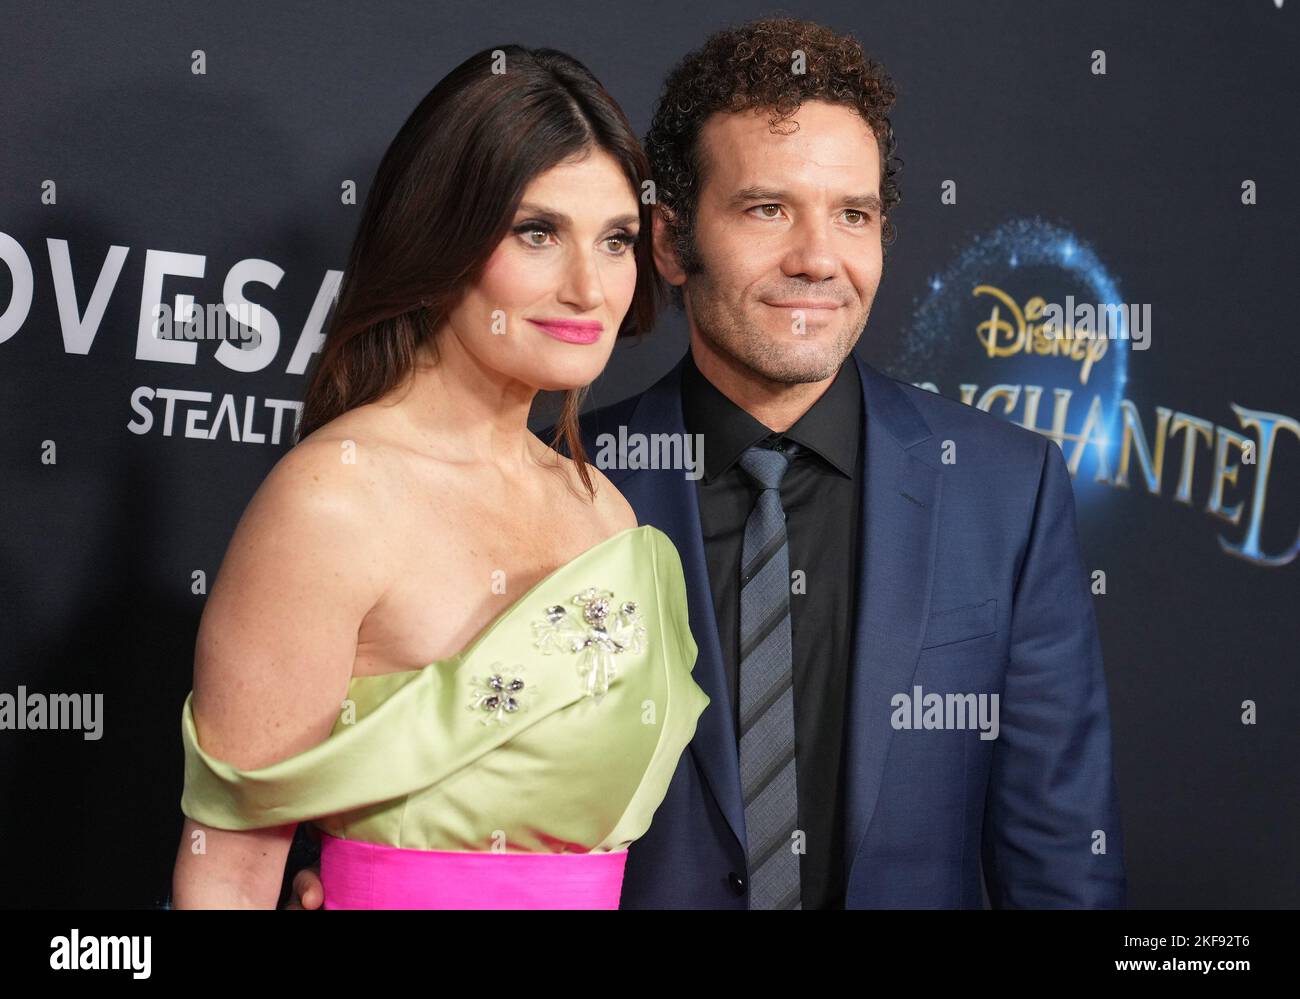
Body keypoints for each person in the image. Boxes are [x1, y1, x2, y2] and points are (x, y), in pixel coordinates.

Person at [292, 16, 1128, 910]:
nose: (818, 259)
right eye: (767, 209)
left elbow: (1061, 859)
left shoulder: (1006, 488)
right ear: (667, 242)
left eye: (854, 214)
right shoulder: (558, 489)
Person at [171, 44, 709, 909]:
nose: (589, 287)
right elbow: (228, 877)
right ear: (441, 238)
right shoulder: (333, 501)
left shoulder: (601, 509)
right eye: (538, 232)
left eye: (615, 240)